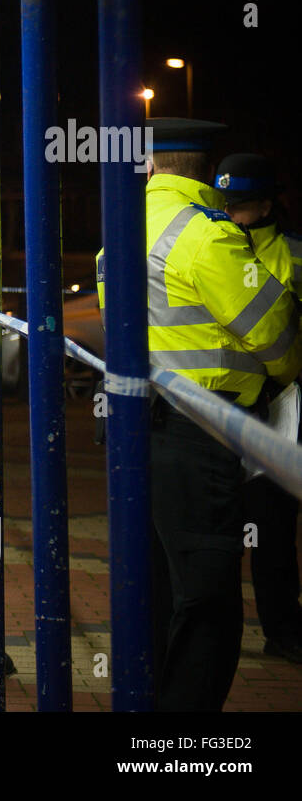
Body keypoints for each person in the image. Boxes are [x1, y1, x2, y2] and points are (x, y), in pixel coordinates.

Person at [113, 118, 302, 711]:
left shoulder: (119, 226)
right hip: (200, 432)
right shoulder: (206, 234)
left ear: (151, 166)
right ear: (202, 169)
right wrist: (280, 372)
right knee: (208, 595)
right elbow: (275, 334)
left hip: (132, 428)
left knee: (156, 585)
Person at [214, 152, 302, 663]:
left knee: (272, 531)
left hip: (277, 414)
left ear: (268, 204)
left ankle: (282, 629)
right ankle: (217, 631)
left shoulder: (292, 255)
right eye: (225, 203)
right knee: (218, 534)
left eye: (241, 206)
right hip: (220, 410)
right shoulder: (210, 243)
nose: (231, 215)